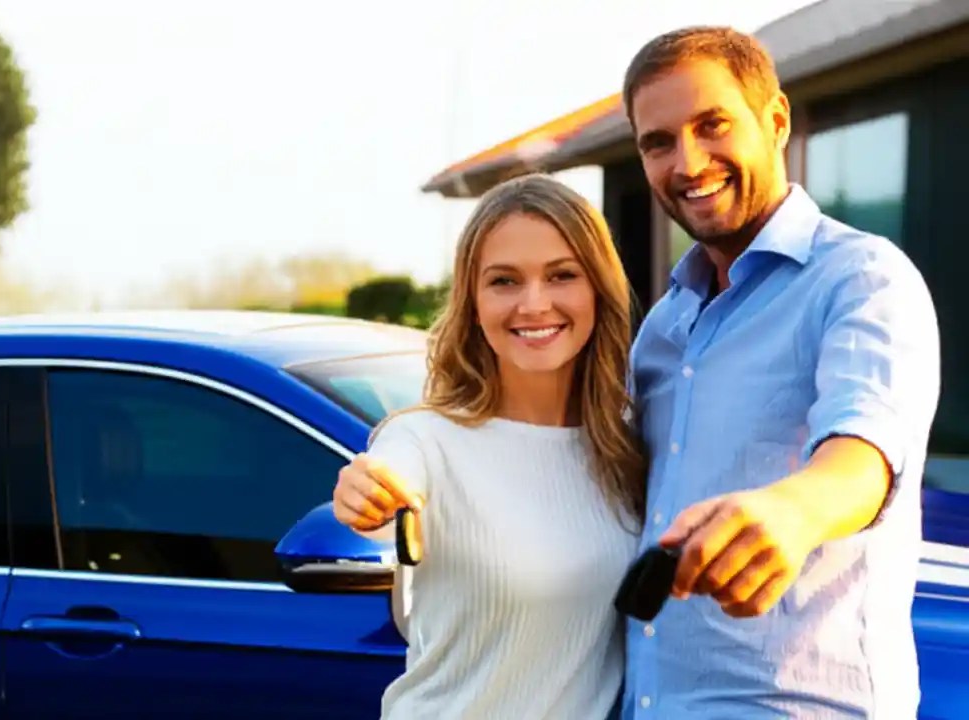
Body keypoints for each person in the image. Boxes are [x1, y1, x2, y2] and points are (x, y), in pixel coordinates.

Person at [340, 24, 942, 719]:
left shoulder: (861, 279)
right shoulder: (665, 330)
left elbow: (867, 452)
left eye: (712, 125)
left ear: (775, 120)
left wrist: (793, 510)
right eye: (658, 142)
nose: (687, 161)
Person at [332, 172, 646, 719]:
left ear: (598, 287)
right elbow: (386, 484)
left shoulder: (628, 442)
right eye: (504, 281)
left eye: (562, 275)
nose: (534, 303)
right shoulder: (423, 441)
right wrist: (364, 494)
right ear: (473, 300)